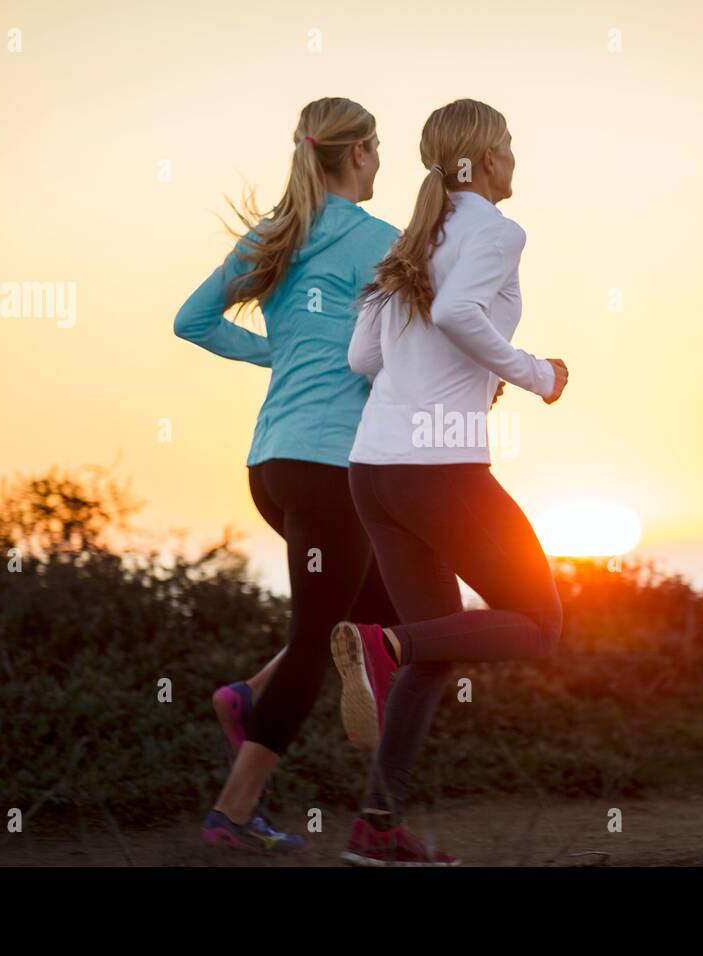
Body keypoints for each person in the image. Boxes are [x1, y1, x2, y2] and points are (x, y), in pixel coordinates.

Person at [331, 99, 569, 866]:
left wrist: (464, 373)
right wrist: (537, 375)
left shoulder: (409, 238)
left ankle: (376, 824)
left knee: (434, 656)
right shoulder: (498, 232)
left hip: (375, 472)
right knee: (539, 622)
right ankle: (381, 641)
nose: (514, 159)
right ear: (490, 158)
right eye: (510, 145)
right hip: (439, 472)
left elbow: (363, 360)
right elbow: (463, 313)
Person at [172, 97, 400, 852]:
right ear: (359, 152)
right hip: (331, 469)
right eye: (378, 149)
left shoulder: (273, 235)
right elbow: (410, 349)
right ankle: (231, 815)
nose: (380, 161)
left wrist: (278, 355)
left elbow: (192, 320)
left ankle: (248, 696)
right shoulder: (380, 242)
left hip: (271, 466)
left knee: (383, 613)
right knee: (322, 638)